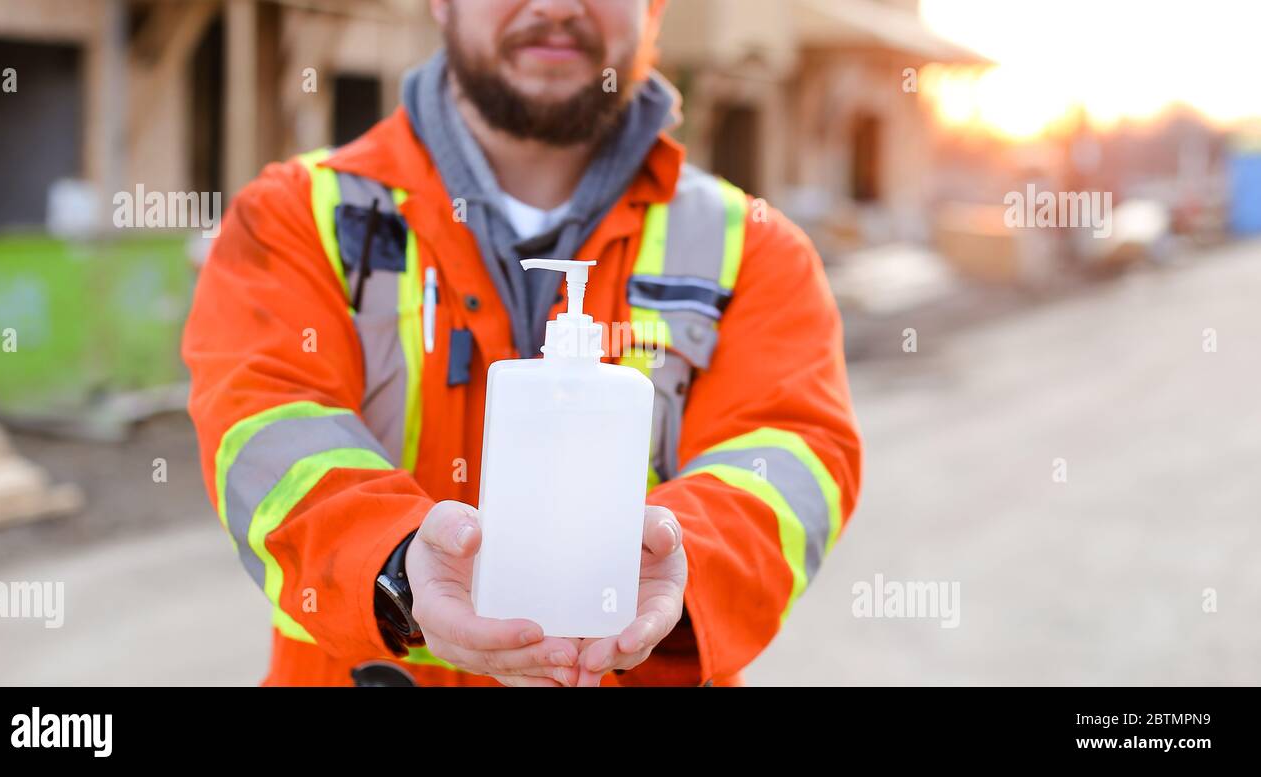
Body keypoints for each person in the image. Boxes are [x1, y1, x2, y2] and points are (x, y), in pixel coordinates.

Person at [182, 0, 862, 687]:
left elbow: (793, 453)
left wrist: (681, 554)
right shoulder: (291, 219)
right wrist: (396, 565)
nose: (555, 6)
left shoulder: (753, 248)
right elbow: (266, 426)